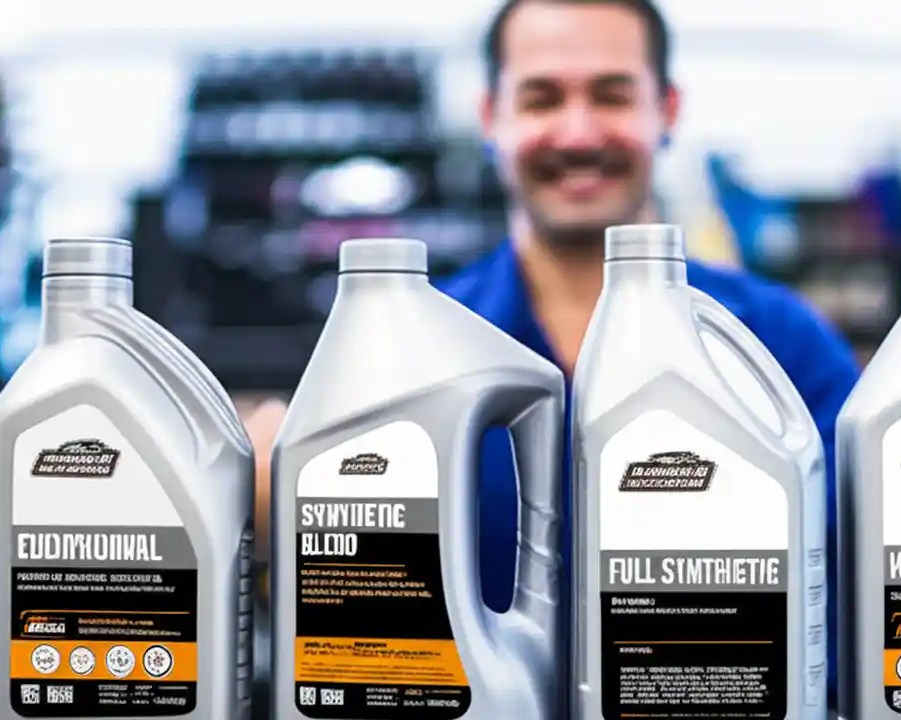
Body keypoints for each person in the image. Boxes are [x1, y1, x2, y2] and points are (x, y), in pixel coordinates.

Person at [246, 0, 859, 710]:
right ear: (491, 117)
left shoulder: (780, 345)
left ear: (667, 109)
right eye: (541, 98)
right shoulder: (403, 352)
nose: (578, 132)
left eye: (612, 95)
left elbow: (856, 593)